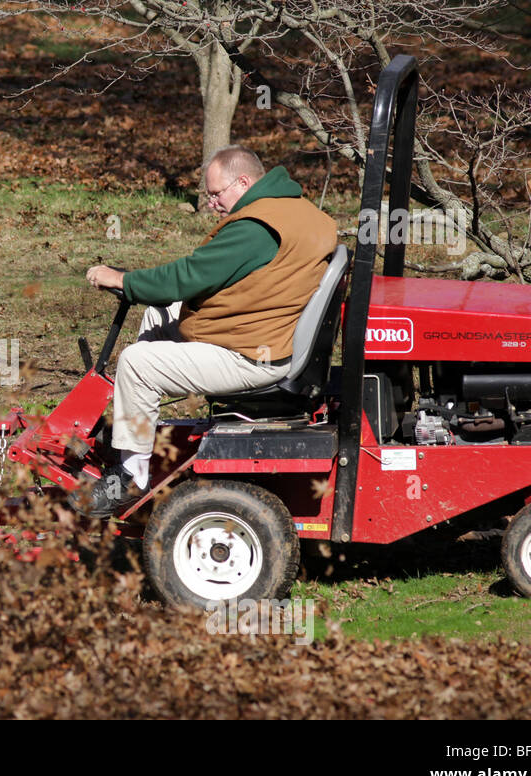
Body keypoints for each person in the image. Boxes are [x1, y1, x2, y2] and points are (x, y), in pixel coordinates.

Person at [75, 145, 338, 517]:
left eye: (216, 194)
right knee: (158, 314)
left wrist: (123, 280)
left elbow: (188, 277)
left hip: (256, 357)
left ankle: (131, 475)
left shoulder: (256, 228)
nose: (211, 203)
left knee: (136, 362)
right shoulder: (294, 208)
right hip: (265, 332)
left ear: (243, 182)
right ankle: (133, 428)